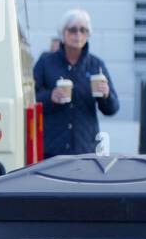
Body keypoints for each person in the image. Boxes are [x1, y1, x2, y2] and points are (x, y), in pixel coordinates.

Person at [33, 9, 119, 158]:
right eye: (72, 30)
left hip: (85, 150)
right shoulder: (45, 63)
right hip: (51, 151)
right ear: (62, 33)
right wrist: (50, 97)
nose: (78, 35)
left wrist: (106, 95)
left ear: (88, 34)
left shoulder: (96, 65)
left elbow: (112, 109)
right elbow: (30, 100)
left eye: (83, 30)